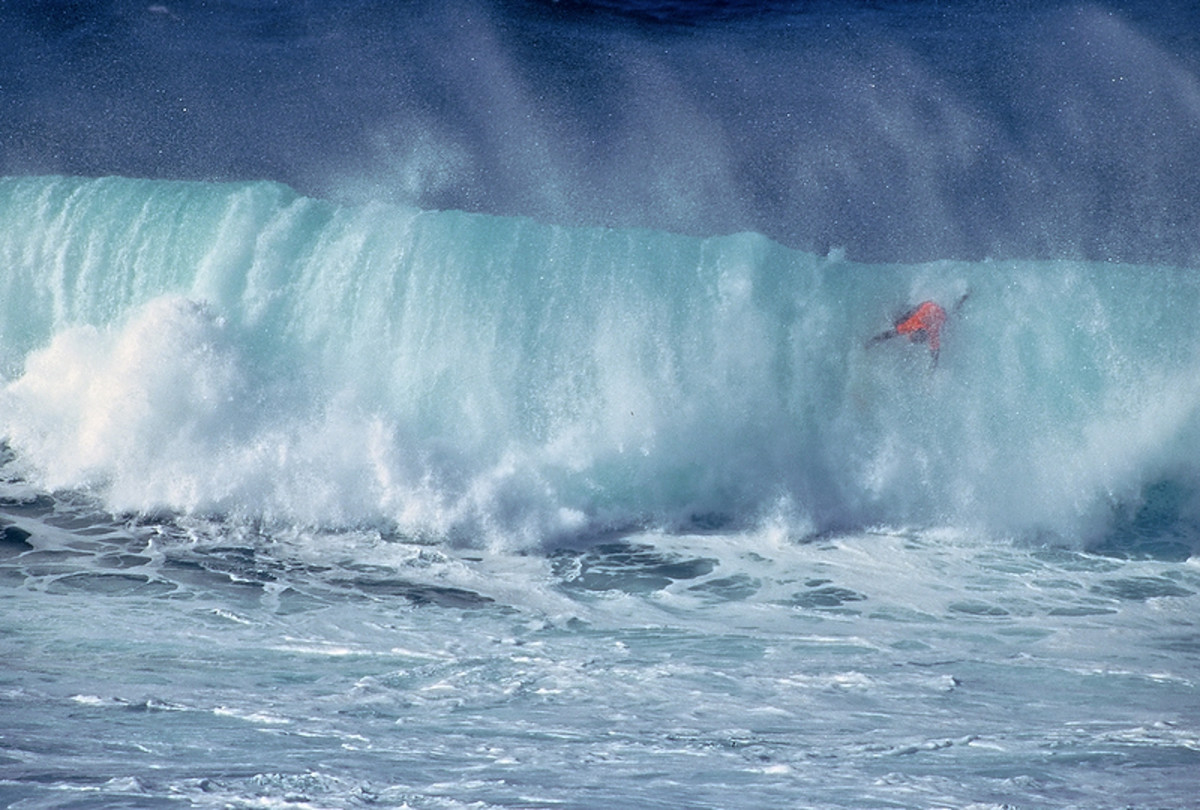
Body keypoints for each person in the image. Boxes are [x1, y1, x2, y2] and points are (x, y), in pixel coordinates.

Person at [867, 293, 967, 367]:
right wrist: (872, 341)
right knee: (897, 323)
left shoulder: (932, 333)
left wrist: (932, 369)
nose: (907, 336)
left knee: (950, 315)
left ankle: (963, 297)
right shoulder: (913, 325)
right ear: (914, 330)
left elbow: (935, 354)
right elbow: (888, 335)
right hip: (928, 307)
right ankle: (963, 298)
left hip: (935, 310)